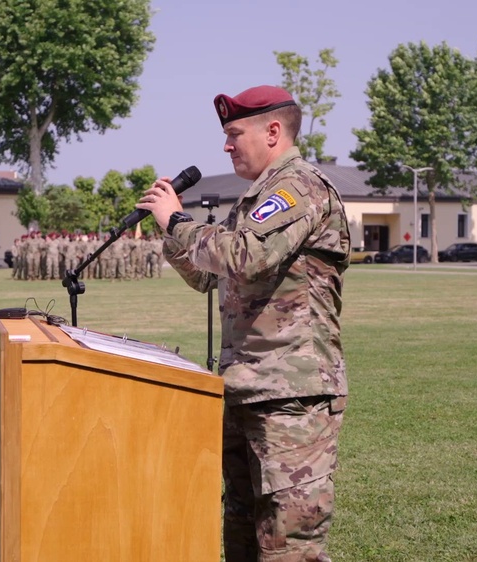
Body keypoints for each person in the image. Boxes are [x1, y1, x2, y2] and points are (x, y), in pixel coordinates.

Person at [135, 85, 351, 562]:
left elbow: (245, 255)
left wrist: (177, 223)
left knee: (288, 544)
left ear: (273, 131)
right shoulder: (255, 200)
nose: (226, 145)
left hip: (290, 397)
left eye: (235, 134)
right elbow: (205, 276)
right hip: (245, 388)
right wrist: (170, 227)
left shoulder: (299, 188)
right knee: (242, 533)